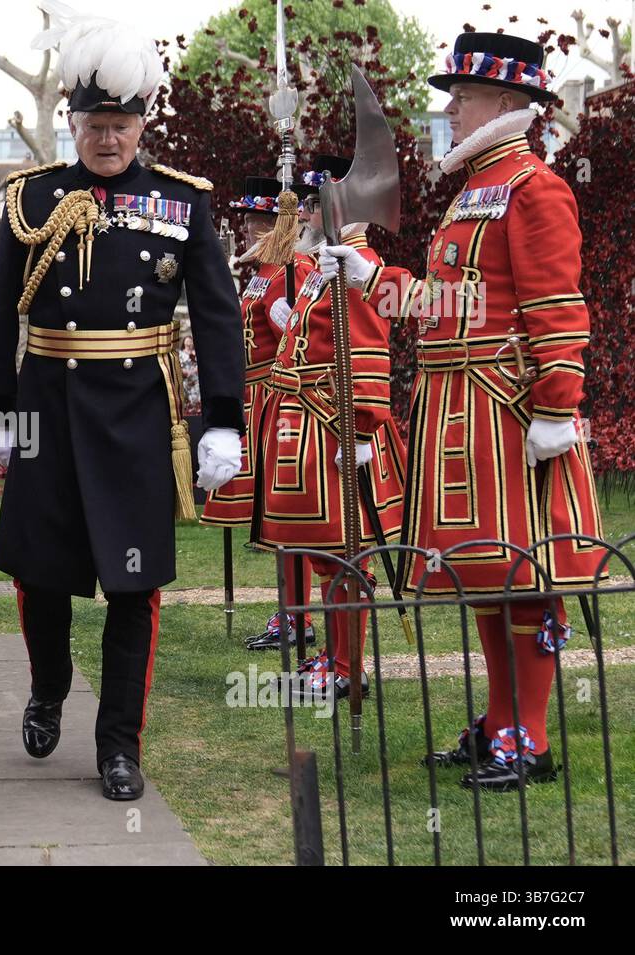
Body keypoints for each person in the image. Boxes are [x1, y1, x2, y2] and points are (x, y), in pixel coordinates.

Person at [0, 6, 246, 801]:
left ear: (141, 123)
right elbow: (0, 314)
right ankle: (50, 685)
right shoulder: (31, 198)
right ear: (71, 121)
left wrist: (222, 419)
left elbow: (219, 315)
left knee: (135, 585)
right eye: (94, 123)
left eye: (121, 124)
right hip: (49, 407)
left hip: (137, 412)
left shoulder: (182, 201)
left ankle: (119, 743)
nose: (107, 139)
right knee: (41, 572)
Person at [324, 32, 604, 789]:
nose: (449, 108)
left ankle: (531, 737)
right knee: (487, 573)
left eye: (464, 95)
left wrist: (556, 406)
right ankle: (500, 720)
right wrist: (367, 273)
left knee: (528, 573)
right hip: (460, 410)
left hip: (509, 413)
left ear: (507, 105)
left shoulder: (534, 187)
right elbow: (442, 304)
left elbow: (557, 309)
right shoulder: (473, 190)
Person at [254, 155, 407, 701]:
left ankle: (347, 665)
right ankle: (336, 657)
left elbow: (368, 355)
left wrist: (362, 433)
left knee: (345, 552)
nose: (310, 213)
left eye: (318, 204)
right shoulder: (326, 266)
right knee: (325, 552)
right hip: (312, 426)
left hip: (338, 430)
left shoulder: (357, 265)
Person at [199, 177, 317, 652]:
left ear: (280, 224)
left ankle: (299, 613)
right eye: (247, 219)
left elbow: (300, 339)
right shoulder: (262, 269)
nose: (248, 228)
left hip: (277, 399)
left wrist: (292, 316)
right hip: (252, 397)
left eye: (259, 220)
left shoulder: (294, 267)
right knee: (270, 514)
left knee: (286, 512)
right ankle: (290, 609)